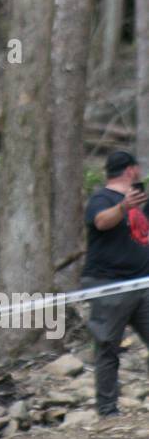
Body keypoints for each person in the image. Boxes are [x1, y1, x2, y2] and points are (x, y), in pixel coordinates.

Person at [81, 149, 149, 418]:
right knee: (108, 347)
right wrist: (123, 206)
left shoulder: (138, 207)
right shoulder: (102, 198)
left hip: (141, 285)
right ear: (130, 171)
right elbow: (100, 222)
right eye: (138, 169)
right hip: (109, 285)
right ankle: (107, 411)